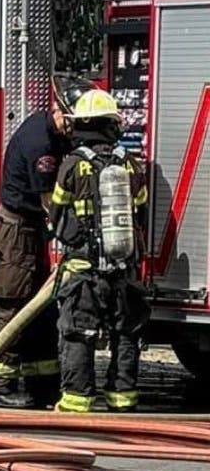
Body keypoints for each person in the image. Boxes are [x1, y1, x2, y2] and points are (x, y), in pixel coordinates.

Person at [0, 79, 88, 407]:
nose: (75, 130)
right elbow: (49, 203)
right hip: (16, 233)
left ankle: (43, 381)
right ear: (60, 113)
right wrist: (74, 233)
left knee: (40, 308)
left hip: (28, 233)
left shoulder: (48, 131)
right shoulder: (41, 144)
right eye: (74, 123)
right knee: (11, 304)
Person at [50, 89, 149, 413]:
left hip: (83, 272)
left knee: (79, 334)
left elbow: (57, 216)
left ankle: (76, 402)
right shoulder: (130, 163)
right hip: (123, 271)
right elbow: (142, 212)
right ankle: (123, 399)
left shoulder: (72, 165)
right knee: (125, 334)